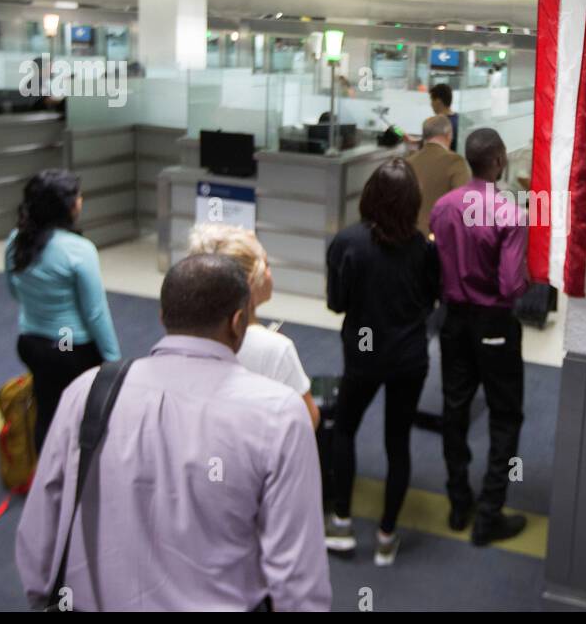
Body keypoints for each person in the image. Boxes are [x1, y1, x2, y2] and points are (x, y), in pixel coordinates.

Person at [16, 254, 331, 611]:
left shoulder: (88, 393)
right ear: (238, 322)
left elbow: (41, 527)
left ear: (163, 316)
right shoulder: (279, 414)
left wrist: (41, 596)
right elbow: (297, 575)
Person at [325, 158, 439, 566]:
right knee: (398, 442)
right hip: (409, 357)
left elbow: (336, 303)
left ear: (369, 195)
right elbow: (430, 302)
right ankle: (387, 537)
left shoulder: (347, 243)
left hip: (364, 354)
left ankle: (341, 523)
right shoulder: (424, 249)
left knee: (345, 429)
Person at [429, 128, 529, 546]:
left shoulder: (443, 207)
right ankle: (489, 515)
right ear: (500, 161)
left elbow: (435, 263)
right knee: (505, 416)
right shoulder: (510, 214)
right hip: (494, 324)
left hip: (452, 321)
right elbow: (509, 286)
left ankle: (458, 504)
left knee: (455, 410)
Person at [5, 170, 120, 454]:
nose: (81, 200)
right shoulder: (80, 250)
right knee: (82, 413)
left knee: (47, 410)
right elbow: (95, 313)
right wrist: (113, 359)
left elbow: (14, 291)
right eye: (77, 196)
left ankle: (46, 473)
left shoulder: (15, 241)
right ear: (67, 207)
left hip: (31, 343)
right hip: (70, 351)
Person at [187, 222, 320, 428]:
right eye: (266, 265)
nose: (269, 273)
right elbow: (308, 419)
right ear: (250, 281)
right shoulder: (276, 349)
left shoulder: (186, 337)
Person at [406, 114, 471, 236]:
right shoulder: (456, 162)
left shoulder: (408, 162)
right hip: (440, 241)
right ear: (449, 135)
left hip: (408, 239)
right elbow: (465, 206)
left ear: (425, 137)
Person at [429, 82, 459, 152]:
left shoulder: (438, 125)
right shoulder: (459, 119)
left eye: (432, 100)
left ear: (438, 101)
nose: (431, 104)